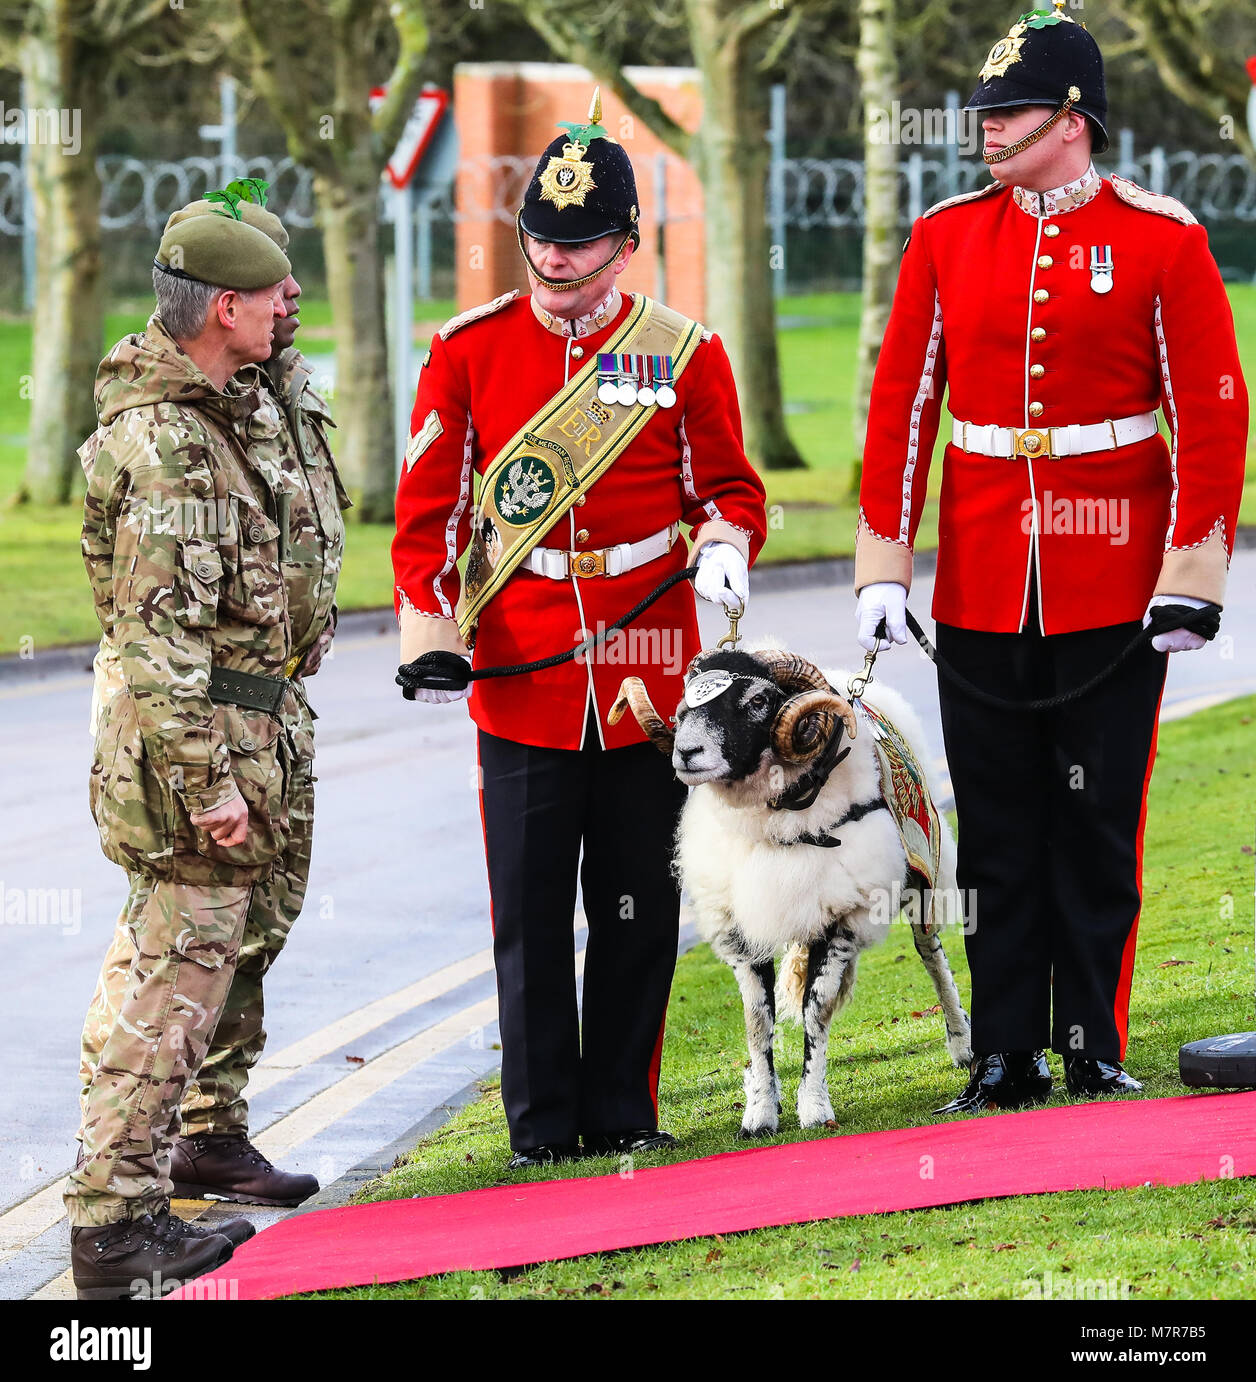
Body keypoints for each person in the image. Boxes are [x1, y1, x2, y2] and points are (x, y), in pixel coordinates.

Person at [854, 3, 1247, 1113]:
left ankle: (1087, 1042)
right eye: (982, 113)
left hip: (1117, 585)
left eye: (1009, 112)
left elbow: (1211, 417)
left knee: (1094, 820)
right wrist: (884, 561)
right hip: (982, 577)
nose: (986, 132)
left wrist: (1192, 573)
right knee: (993, 827)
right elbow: (903, 406)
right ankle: (999, 1051)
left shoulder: (1159, 239)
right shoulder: (945, 237)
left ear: (1072, 119)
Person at [393, 90, 767, 1170]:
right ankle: (539, 1125)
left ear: (627, 244)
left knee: (638, 907)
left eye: (582, 246)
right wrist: (432, 625)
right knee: (528, 912)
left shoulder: (678, 353)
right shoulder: (467, 351)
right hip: (522, 664)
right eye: (541, 244)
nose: (557, 267)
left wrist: (724, 544)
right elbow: (429, 514)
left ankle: (622, 1110)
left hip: (649, 664)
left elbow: (728, 488)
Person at [76, 186, 349, 1208]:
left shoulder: (254, 390)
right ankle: (113, 1214)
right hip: (204, 733)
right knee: (169, 977)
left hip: (264, 713)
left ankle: (206, 1136)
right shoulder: (166, 444)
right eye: (270, 286)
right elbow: (158, 642)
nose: (292, 296)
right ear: (219, 308)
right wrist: (209, 781)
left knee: (239, 943)